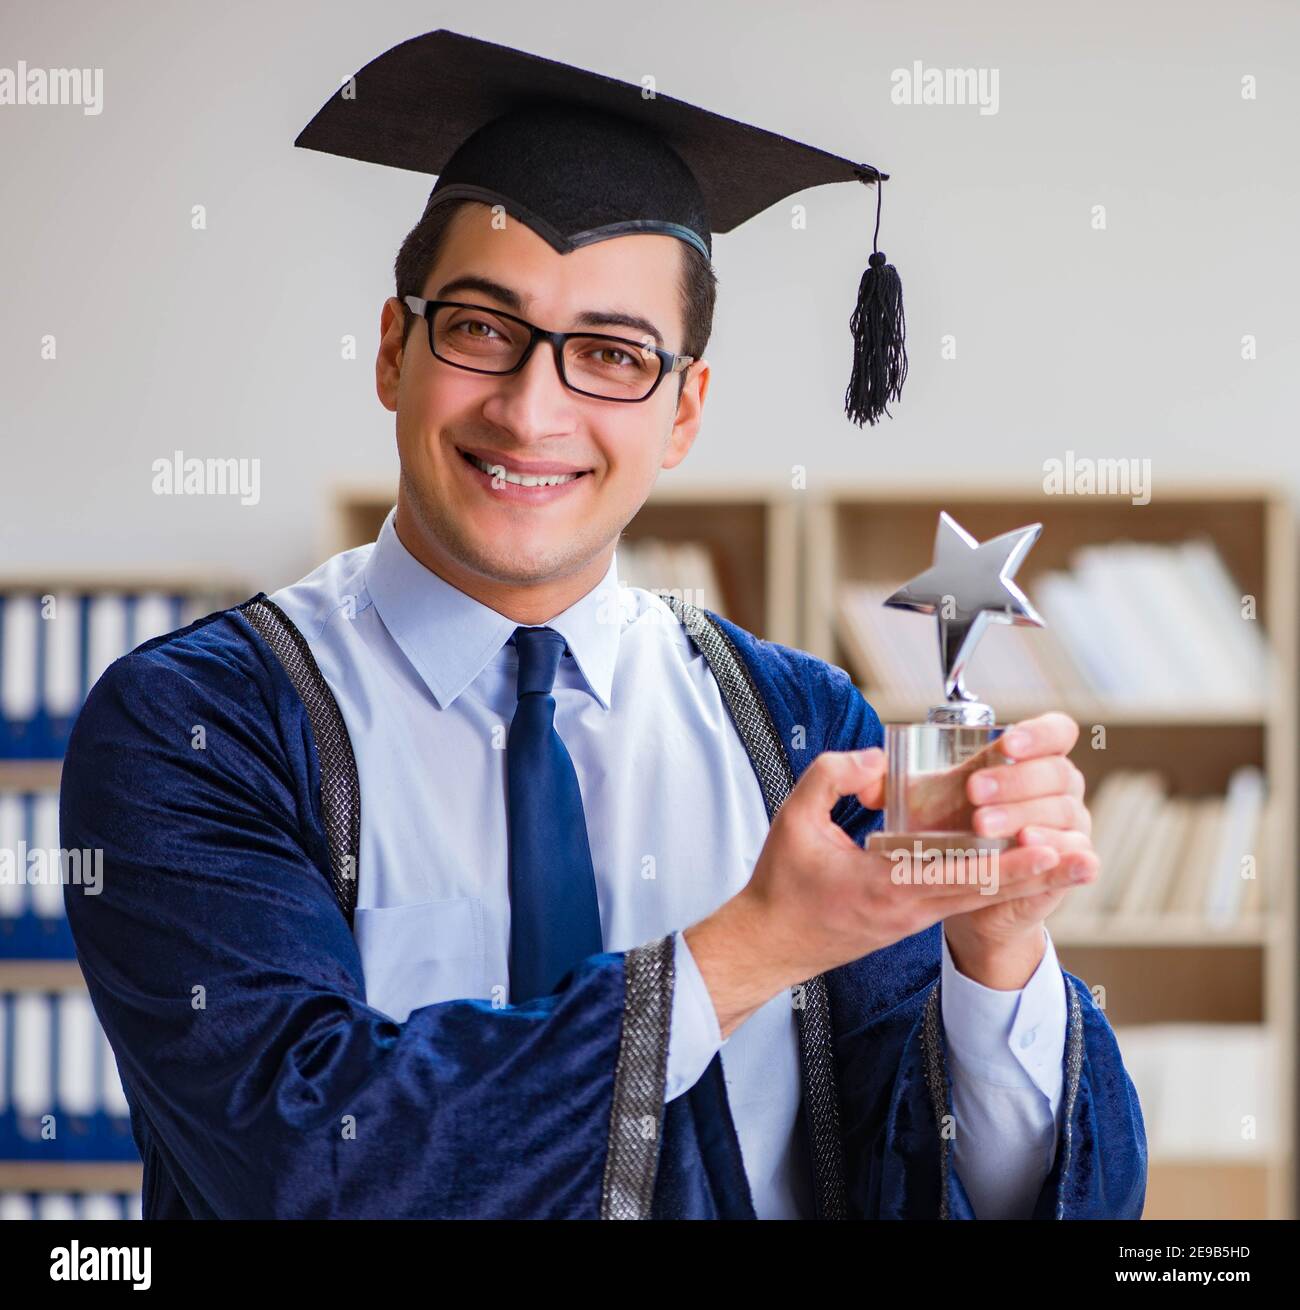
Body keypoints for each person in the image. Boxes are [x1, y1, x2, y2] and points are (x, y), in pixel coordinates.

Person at [59, 29, 1146, 1220]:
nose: (532, 409)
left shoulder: (797, 729)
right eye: (480, 328)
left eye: (612, 355)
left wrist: (995, 959)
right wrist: (747, 948)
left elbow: (945, 1190)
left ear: (684, 410)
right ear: (392, 350)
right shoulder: (199, 723)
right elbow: (302, 1162)